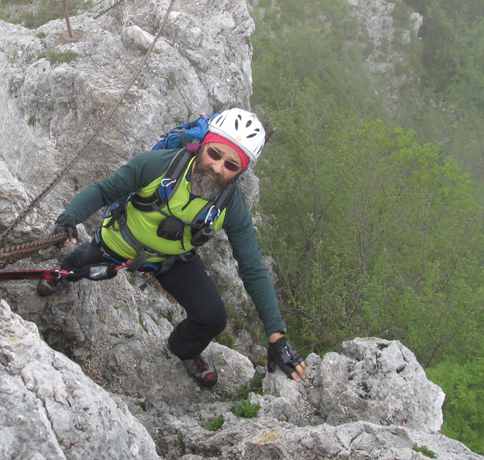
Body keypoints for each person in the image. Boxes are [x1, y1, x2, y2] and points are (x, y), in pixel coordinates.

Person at [36, 108, 307, 388]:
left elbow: (252, 266)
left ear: (240, 172)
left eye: (230, 165)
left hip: (172, 258)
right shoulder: (157, 165)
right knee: (84, 260)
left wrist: (277, 337)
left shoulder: (231, 205)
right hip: (122, 239)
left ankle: (185, 349)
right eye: (214, 154)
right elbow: (105, 191)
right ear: (202, 145)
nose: (217, 168)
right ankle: (61, 273)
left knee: (213, 318)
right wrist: (69, 217)